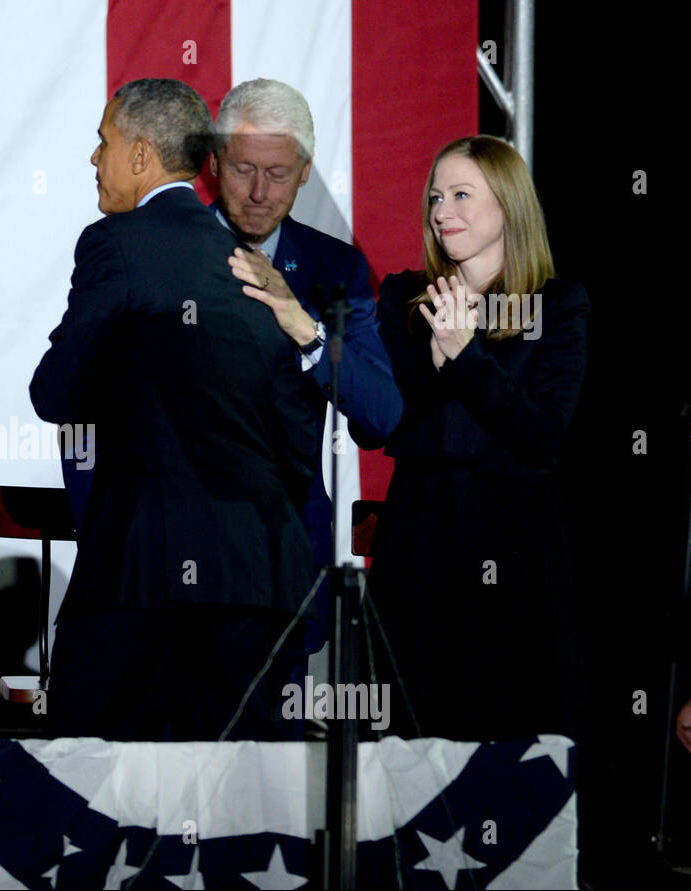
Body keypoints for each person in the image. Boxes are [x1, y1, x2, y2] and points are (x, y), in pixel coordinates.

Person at [30, 78, 322, 741]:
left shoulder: (118, 243)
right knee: (240, 813)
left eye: (103, 143)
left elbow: (57, 392)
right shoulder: (256, 268)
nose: (93, 160)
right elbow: (300, 443)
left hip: (144, 582)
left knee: (100, 799)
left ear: (139, 154)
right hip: (260, 580)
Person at [352, 135, 587, 741]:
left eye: (461, 195)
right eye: (435, 196)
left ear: (508, 205)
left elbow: (542, 439)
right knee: (407, 735)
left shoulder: (555, 306)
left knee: (506, 742)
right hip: (418, 545)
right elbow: (381, 427)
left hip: (515, 551)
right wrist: (430, 363)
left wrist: (463, 354)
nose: (441, 211)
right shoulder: (406, 296)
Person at [220, 78, 402, 665]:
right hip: (174, 569)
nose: (256, 192)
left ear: (304, 171)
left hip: (287, 561)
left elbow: (382, 416)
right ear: (215, 160)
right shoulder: (158, 252)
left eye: (277, 174)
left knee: (280, 755)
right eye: (243, 168)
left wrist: (307, 329)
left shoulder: (334, 268)